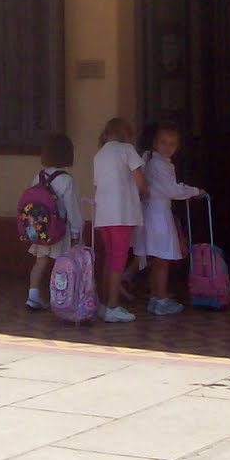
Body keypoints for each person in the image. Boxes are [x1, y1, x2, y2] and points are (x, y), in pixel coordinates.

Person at [137, 122, 205, 316]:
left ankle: (155, 297)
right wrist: (194, 191)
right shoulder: (161, 165)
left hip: (151, 213)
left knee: (158, 260)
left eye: (172, 143)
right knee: (162, 259)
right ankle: (160, 299)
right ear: (155, 143)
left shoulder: (150, 161)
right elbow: (172, 190)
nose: (168, 147)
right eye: (163, 142)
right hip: (159, 215)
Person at [91, 117, 147, 322]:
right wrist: (145, 192)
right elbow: (139, 179)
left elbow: (97, 187)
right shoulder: (127, 150)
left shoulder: (99, 155)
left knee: (109, 258)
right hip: (121, 214)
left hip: (103, 215)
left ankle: (105, 303)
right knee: (119, 260)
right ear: (127, 134)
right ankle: (113, 306)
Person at [24, 133, 86, 311]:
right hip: (59, 231)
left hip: (40, 229)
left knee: (40, 262)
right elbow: (73, 208)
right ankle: (61, 299)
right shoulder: (67, 180)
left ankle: (32, 296)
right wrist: (76, 232)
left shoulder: (39, 177)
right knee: (62, 265)